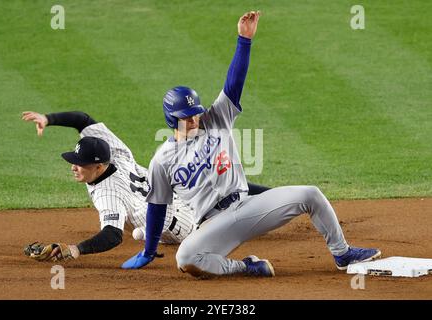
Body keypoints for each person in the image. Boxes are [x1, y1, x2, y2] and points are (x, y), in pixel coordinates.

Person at [121, 11, 381, 276]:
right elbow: (157, 206)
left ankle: (342, 253)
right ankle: (245, 267)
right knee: (186, 258)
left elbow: (234, 83)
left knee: (310, 194)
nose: (193, 120)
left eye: (195, 113)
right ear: (170, 119)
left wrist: (244, 40)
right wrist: (149, 251)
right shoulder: (162, 160)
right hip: (213, 225)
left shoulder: (217, 119)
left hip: (247, 207)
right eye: (185, 117)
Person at [22, 111, 269, 261]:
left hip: (183, 225)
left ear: (99, 167)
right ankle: (276, 196)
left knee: (231, 217)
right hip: (175, 192)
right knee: (219, 184)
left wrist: (76, 250)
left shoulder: (110, 194)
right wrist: (48, 119)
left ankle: (256, 233)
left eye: (80, 163)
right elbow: (83, 120)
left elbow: (112, 235)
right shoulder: (116, 152)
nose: (73, 167)